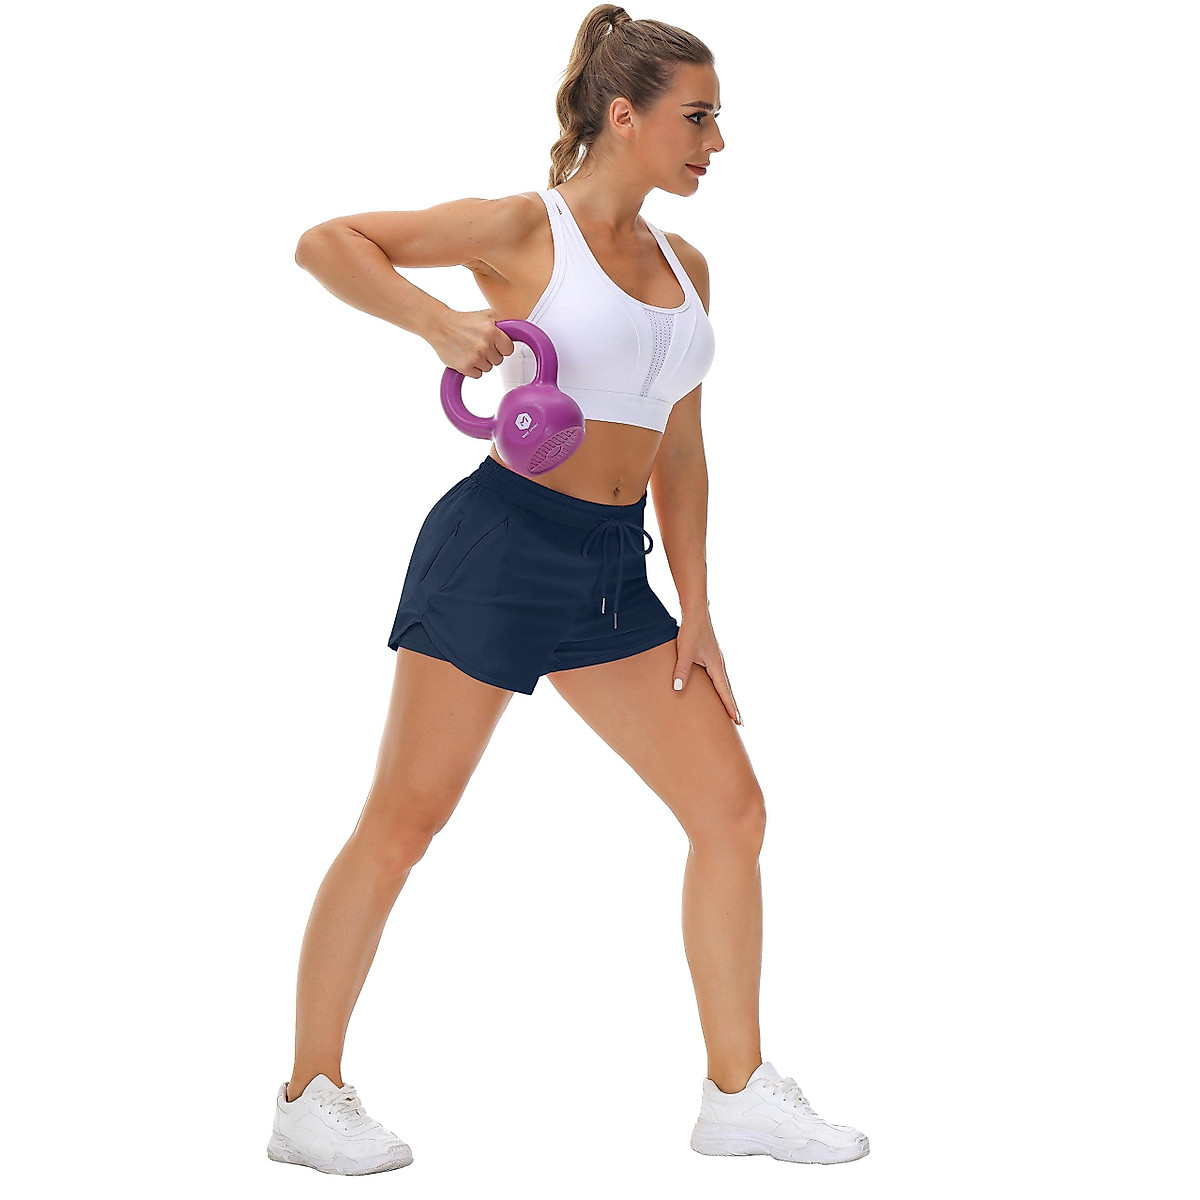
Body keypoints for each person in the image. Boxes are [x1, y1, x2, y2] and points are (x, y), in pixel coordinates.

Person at [267, 4, 869, 1176]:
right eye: (698, 118)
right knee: (403, 825)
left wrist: (698, 613)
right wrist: (437, 322)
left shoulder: (688, 268)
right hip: (500, 547)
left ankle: (737, 1094)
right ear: (624, 115)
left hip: (610, 572)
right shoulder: (521, 226)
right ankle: (308, 1095)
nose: (717, 142)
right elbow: (327, 241)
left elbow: (681, 449)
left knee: (731, 811)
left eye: (717, 120)